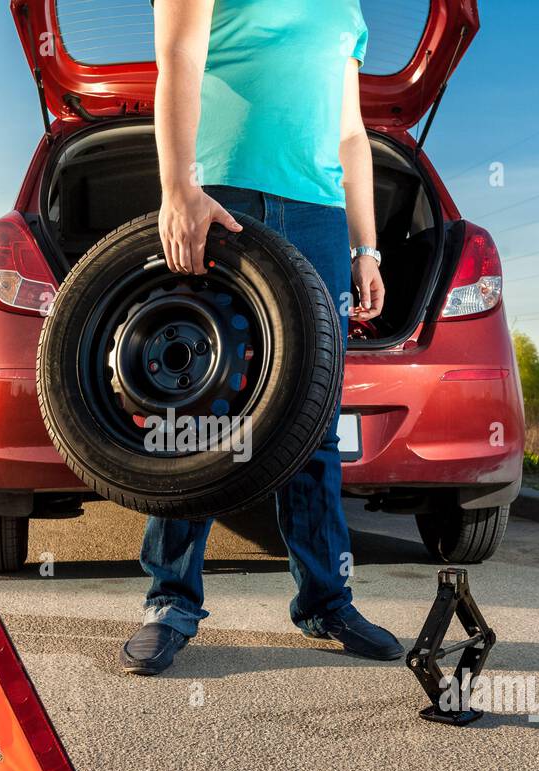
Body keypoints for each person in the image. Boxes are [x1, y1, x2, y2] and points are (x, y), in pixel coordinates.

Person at [121, 0, 403, 676]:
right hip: (222, 196)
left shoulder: (348, 12)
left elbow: (351, 134)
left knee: (312, 420)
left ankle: (326, 601)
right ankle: (171, 601)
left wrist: (367, 246)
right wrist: (177, 188)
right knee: (196, 405)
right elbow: (179, 58)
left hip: (319, 218)